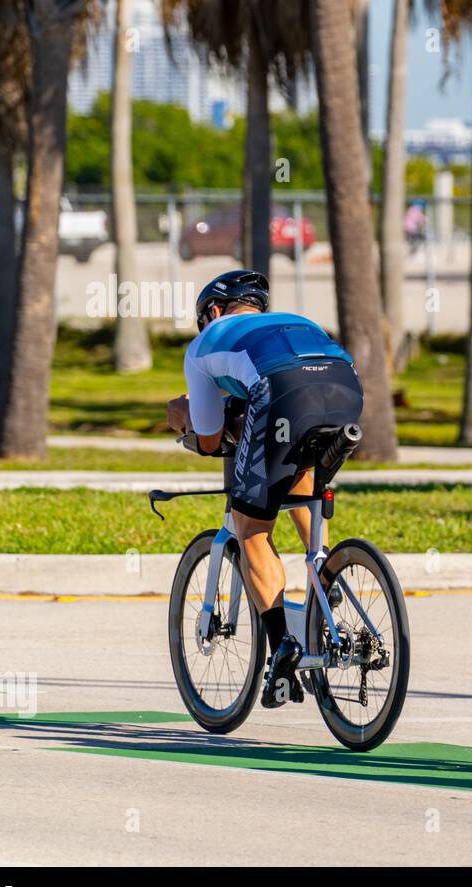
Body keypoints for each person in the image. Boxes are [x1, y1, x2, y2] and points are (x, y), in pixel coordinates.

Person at [165, 270, 364, 709]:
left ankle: (282, 650)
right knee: (299, 477)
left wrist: (183, 422)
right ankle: (323, 575)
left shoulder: (203, 344)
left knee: (251, 527)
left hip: (282, 389)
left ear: (212, 312)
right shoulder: (290, 320)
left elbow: (213, 438)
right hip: (344, 384)